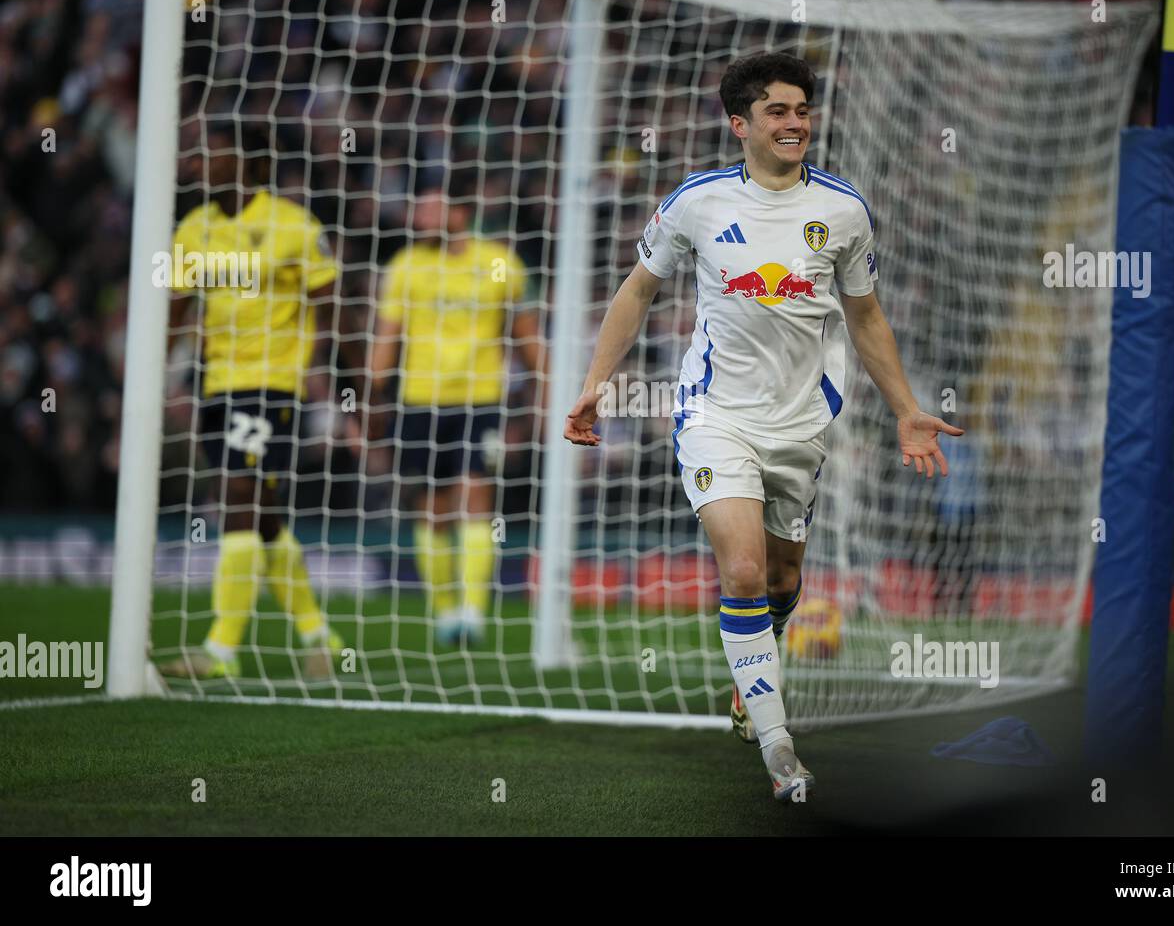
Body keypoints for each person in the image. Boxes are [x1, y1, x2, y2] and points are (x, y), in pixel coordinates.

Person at [563, 53, 963, 800]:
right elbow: (637, 289)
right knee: (742, 570)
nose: (795, 123)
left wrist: (907, 408)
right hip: (717, 414)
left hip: (803, 421)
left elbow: (865, 314)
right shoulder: (698, 202)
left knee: (782, 578)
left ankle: (757, 670)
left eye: (803, 110)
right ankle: (780, 745)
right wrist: (595, 386)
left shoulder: (843, 209)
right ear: (739, 123)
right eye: (778, 111)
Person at [160, 119, 345, 680]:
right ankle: (320, 634)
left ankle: (220, 649)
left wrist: (326, 373)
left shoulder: (291, 225)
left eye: (210, 154)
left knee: (236, 499)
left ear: (249, 163)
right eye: (195, 156)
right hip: (215, 385)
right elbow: (178, 306)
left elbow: (330, 301)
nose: (197, 164)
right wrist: (158, 375)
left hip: (272, 385)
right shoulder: (194, 229)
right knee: (261, 516)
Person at [369, 184, 543, 644]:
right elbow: (386, 342)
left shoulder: (500, 263)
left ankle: (473, 610)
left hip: (479, 401)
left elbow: (528, 338)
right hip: (418, 402)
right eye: (418, 205)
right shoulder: (405, 266)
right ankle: (445, 611)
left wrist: (543, 396)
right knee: (430, 513)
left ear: (461, 211)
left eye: (431, 204)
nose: (420, 213)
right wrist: (372, 393)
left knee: (475, 500)